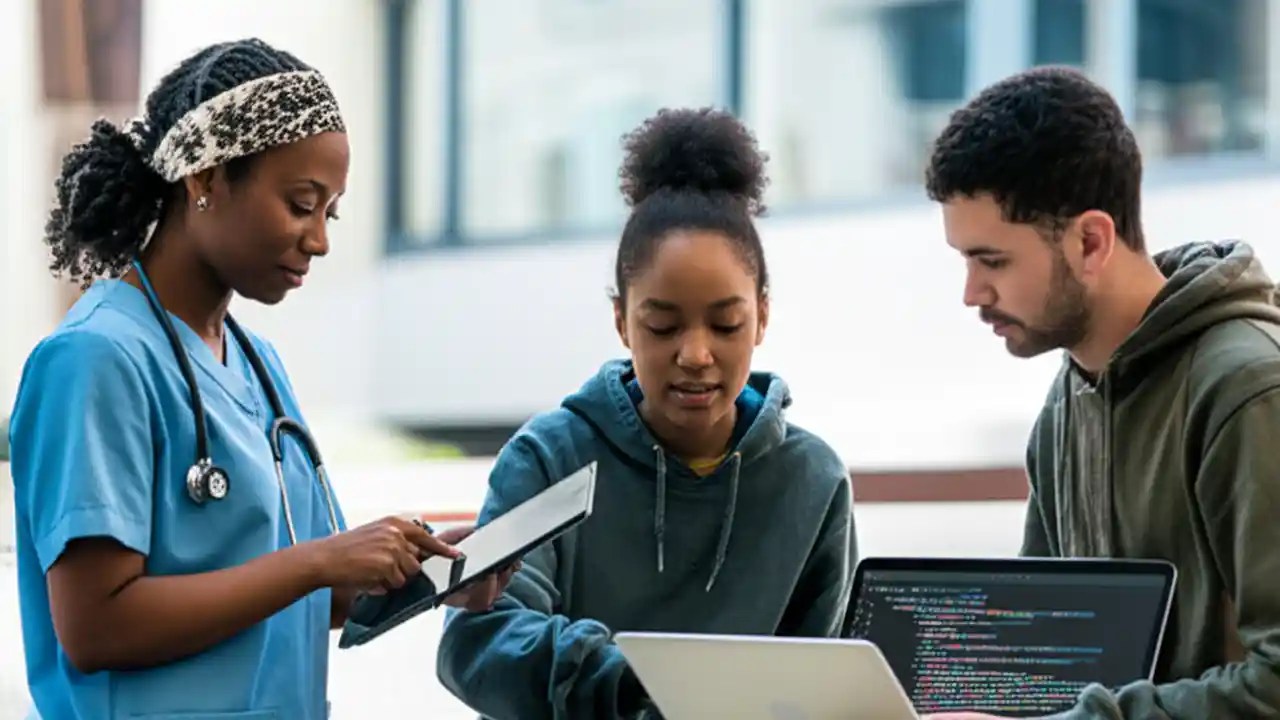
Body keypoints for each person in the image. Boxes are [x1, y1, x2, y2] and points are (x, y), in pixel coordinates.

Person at [6, 38, 506, 720]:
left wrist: (435, 572)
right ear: (205, 178)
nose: (320, 240)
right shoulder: (96, 360)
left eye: (330, 213)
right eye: (301, 204)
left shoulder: (258, 365)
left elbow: (307, 594)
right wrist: (320, 561)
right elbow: (97, 627)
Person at [434, 107, 859, 719]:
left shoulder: (812, 479)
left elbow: (822, 678)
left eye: (725, 323)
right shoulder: (550, 457)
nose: (695, 354)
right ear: (621, 322)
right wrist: (648, 683)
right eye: (662, 325)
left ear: (762, 317)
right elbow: (478, 643)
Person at [920, 65, 1280, 719]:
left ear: (1091, 241)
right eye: (964, 260)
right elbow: (1042, 672)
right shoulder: (1064, 411)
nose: (971, 293)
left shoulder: (1248, 389)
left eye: (991, 260)